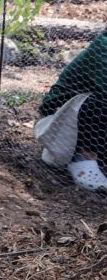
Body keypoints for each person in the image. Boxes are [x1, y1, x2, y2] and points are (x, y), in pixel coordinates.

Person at [35, 33, 107, 191]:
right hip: (60, 123)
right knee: (100, 103)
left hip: (86, 124)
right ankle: (82, 158)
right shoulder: (104, 45)